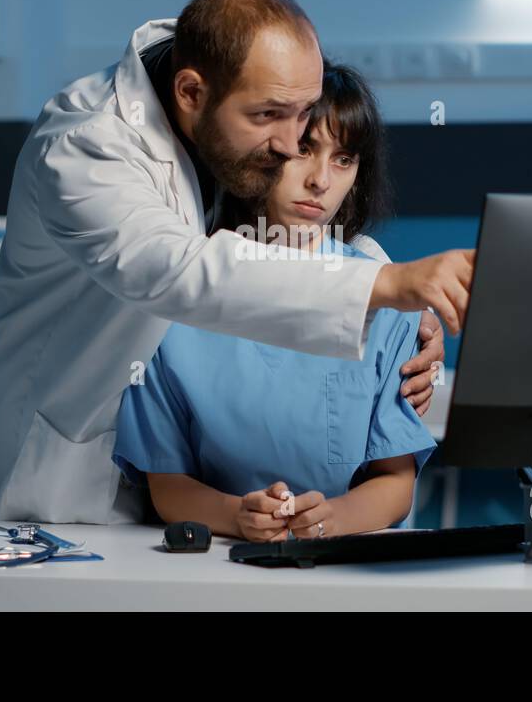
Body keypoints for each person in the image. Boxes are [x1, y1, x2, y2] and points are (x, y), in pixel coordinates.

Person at [0, 0, 472, 524]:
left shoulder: (230, 78)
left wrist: (391, 294)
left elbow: (290, 232)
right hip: (68, 473)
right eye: (270, 117)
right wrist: (386, 286)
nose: (290, 145)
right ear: (190, 93)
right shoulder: (84, 147)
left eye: (304, 113)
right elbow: (181, 271)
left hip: (167, 509)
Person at [113, 63, 436, 540]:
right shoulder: (178, 297)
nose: (321, 180)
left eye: (344, 159)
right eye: (305, 149)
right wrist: (237, 516)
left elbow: (395, 482)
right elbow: (168, 484)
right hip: (215, 562)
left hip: (343, 565)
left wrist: (328, 521)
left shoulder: (386, 306)